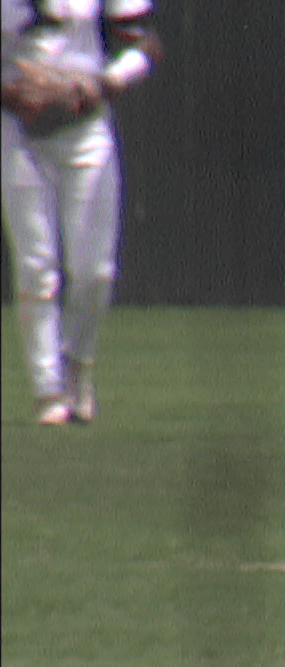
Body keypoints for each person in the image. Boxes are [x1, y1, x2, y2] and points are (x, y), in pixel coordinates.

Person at [2, 0, 160, 425]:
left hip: (85, 124)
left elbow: (146, 44)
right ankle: (48, 390)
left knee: (95, 271)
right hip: (17, 128)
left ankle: (77, 364)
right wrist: (16, 93)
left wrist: (101, 84)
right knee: (36, 267)